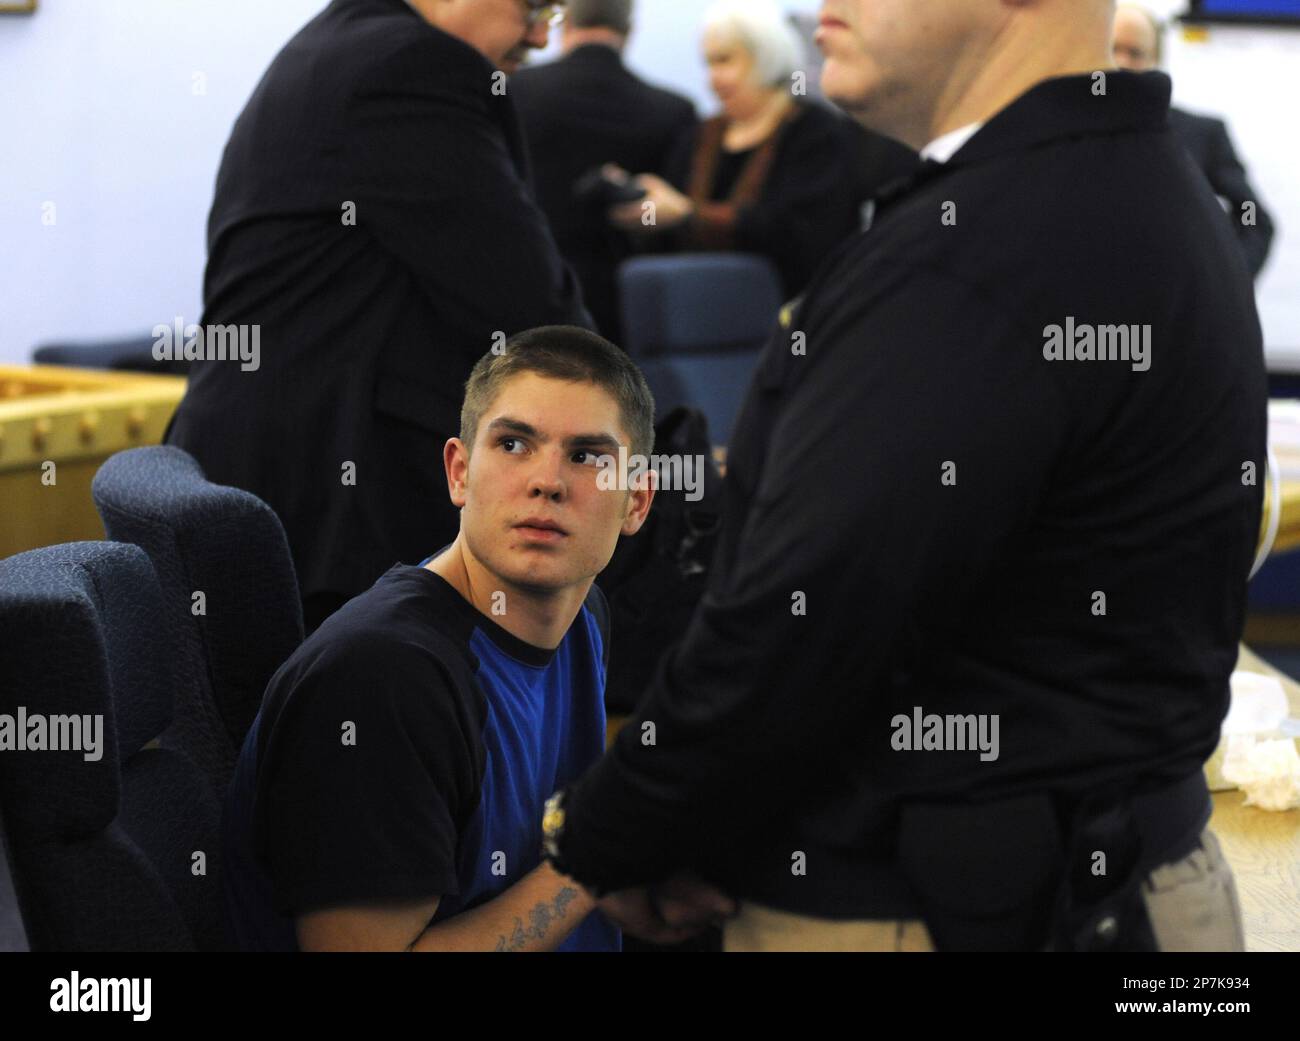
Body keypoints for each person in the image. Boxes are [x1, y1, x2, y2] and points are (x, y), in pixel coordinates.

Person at [541, 0, 1266, 952]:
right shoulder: (1132, 195)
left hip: (954, 907)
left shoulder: (993, 247)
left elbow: (798, 621)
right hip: (1103, 884)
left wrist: (609, 835)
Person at [221, 325, 657, 951]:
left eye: (587, 457)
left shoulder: (586, 614)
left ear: (636, 502)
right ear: (459, 472)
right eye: (513, 443)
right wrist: (593, 858)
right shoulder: (383, 677)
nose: (547, 482)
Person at [165, 0, 591, 635]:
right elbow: (534, 314)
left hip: (267, 480)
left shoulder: (331, 45)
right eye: (533, 5)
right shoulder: (411, 65)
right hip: (336, 516)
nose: (540, 34)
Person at [608, 0, 864, 300]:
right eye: (708, 63)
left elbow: (802, 234)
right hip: (697, 307)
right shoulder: (700, 135)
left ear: (765, 57)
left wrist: (689, 214)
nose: (713, 79)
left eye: (725, 60)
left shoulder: (816, 132)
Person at [511, 0, 697, 344]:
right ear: (629, 31)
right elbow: (666, 224)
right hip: (630, 308)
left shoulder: (515, 92)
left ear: (564, 24)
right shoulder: (674, 110)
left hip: (527, 296)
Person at [1112, 3, 1275, 277]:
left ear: (1156, 60)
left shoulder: (1200, 134)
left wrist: (1229, 285)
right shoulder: (1062, 133)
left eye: (1135, 52)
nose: (1123, 63)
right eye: (1113, 49)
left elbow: (1251, 216)